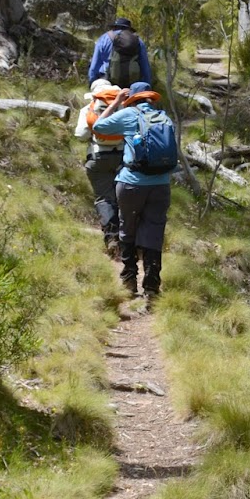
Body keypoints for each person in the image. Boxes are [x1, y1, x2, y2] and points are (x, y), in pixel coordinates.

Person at [92, 81, 175, 296]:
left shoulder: (128, 114)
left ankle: (129, 281)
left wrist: (116, 102)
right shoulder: (165, 118)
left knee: (127, 227)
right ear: (149, 98)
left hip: (131, 183)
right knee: (154, 231)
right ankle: (152, 286)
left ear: (133, 99)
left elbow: (99, 128)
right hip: (161, 184)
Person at [75, 78, 126, 254]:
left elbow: (81, 134)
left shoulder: (88, 109)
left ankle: (112, 237)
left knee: (105, 198)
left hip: (98, 158)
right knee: (123, 198)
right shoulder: (122, 106)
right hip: (122, 158)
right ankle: (129, 238)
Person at [88, 17, 153, 89]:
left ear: (114, 27)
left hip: (107, 83)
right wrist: (147, 87)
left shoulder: (104, 38)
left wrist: (92, 82)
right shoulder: (138, 41)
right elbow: (145, 67)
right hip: (131, 86)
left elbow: (94, 67)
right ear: (129, 29)